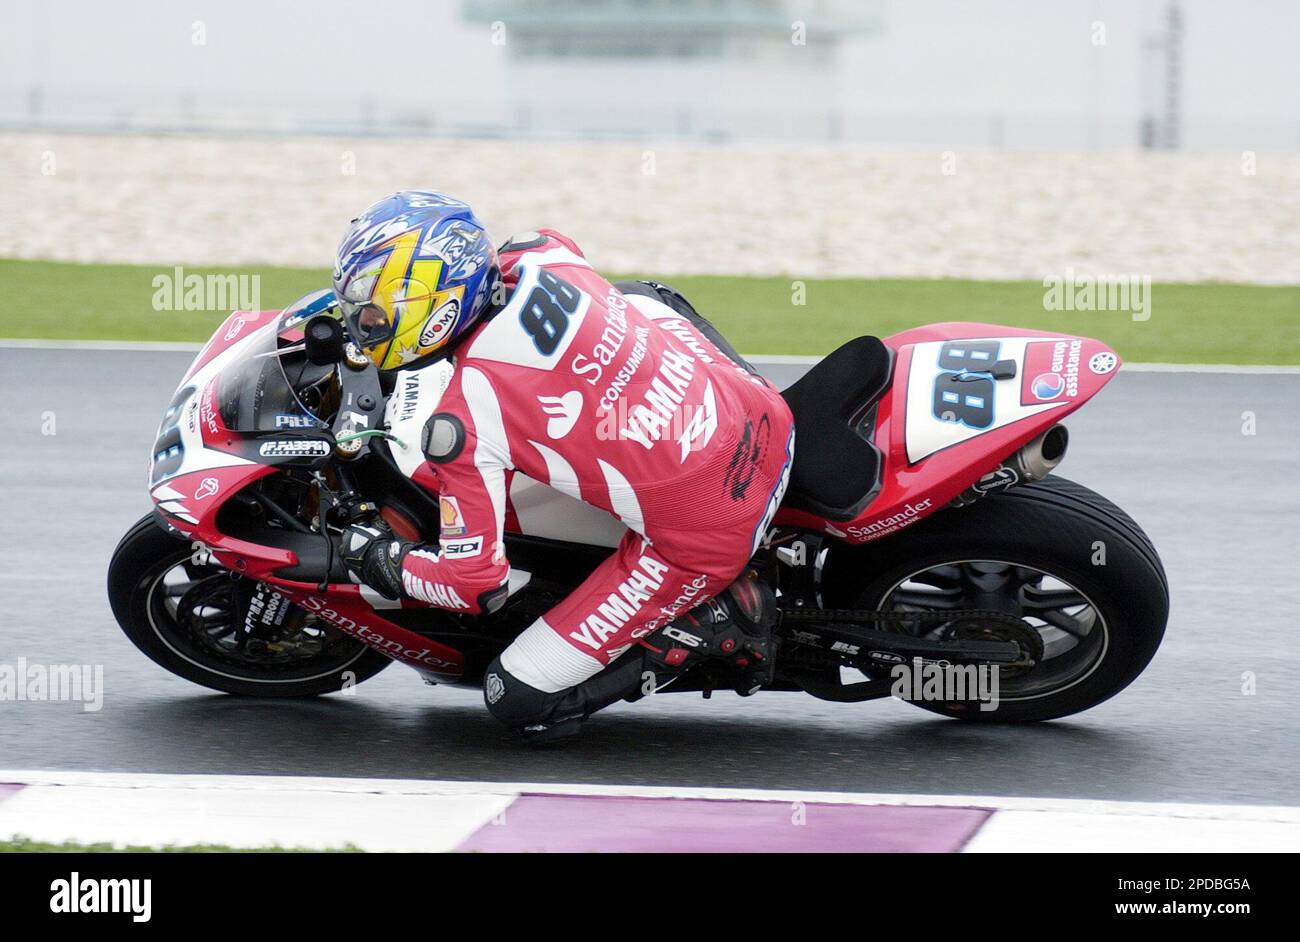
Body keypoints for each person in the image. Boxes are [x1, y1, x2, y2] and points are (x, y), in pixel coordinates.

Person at [331, 191, 794, 740]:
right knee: (638, 296)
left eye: (380, 306)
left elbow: (474, 585)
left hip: (710, 524)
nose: (366, 320)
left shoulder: (464, 422)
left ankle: (713, 619)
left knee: (516, 696)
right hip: (758, 409)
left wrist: (378, 558)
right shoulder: (540, 253)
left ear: (437, 302)